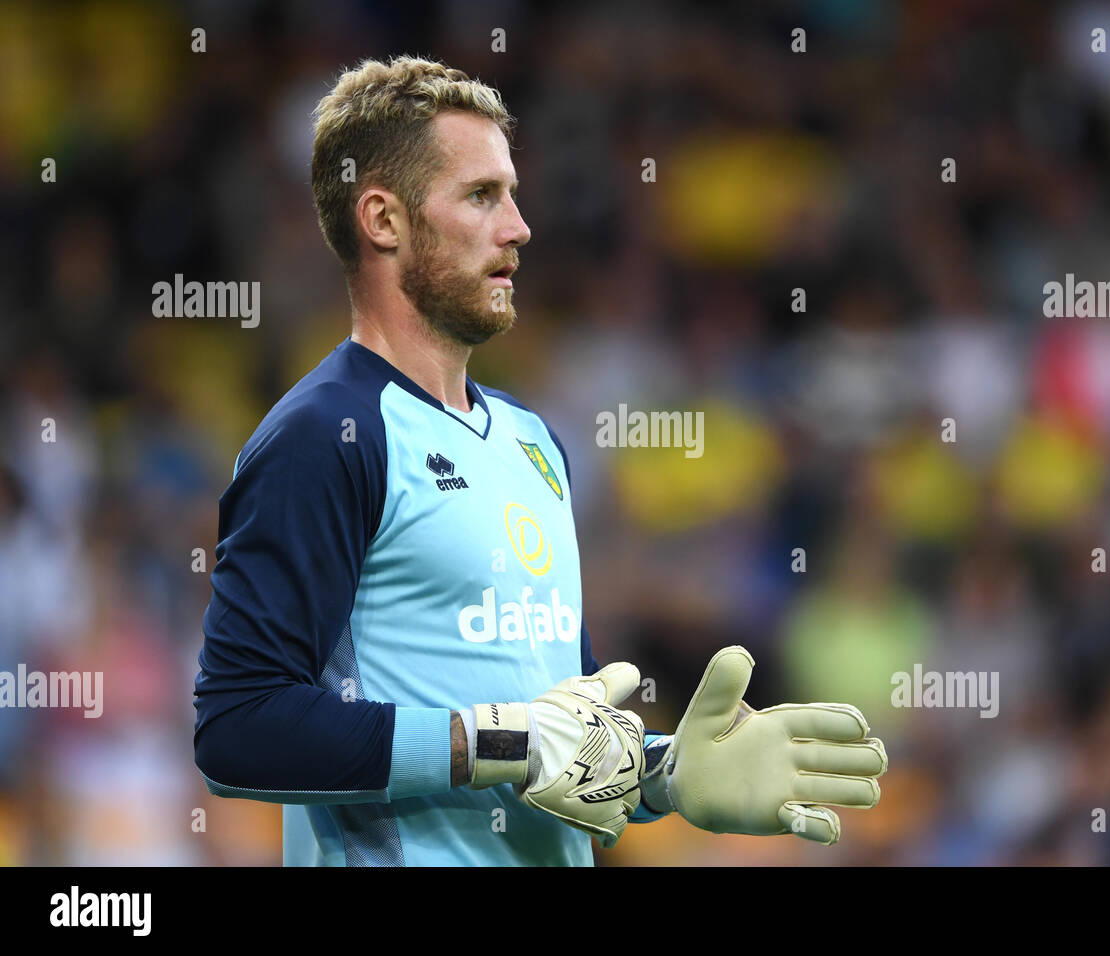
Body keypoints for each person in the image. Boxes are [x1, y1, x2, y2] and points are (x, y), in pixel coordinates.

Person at [192, 56, 887, 866]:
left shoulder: (534, 444)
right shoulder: (326, 435)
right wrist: (496, 742)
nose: (519, 226)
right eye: (482, 195)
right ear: (383, 220)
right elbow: (239, 728)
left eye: (512, 194)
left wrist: (669, 773)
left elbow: (564, 737)